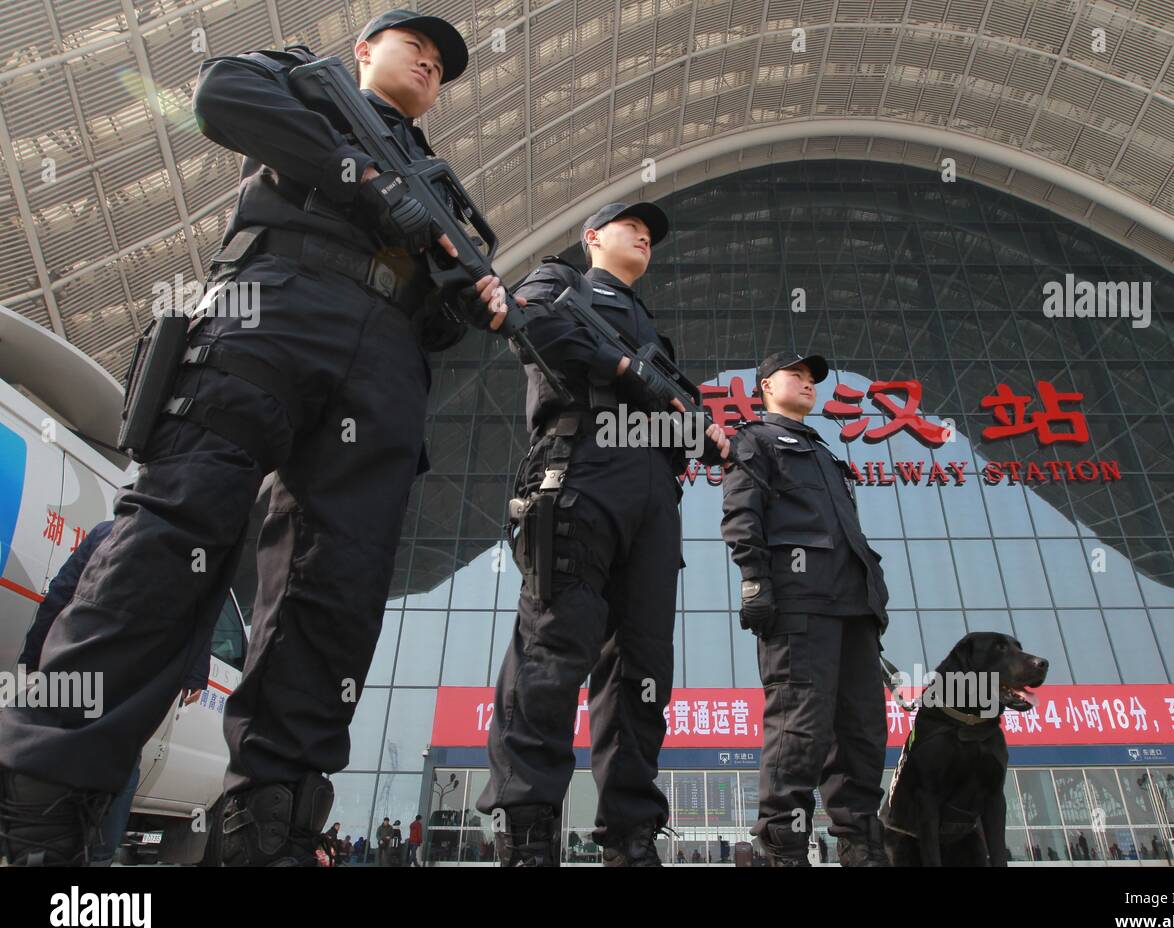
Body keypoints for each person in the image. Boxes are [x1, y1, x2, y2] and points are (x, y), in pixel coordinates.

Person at [0, 9, 513, 867]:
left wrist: (476, 290)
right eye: (412, 47)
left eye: (440, 64)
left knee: (337, 591)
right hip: (272, 305)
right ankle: (43, 811)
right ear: (363, 51)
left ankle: (271, 829)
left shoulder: (447, 188)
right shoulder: (303, 80)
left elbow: (452, 309)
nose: (428, 64)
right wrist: (367, 182)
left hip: (385, 360)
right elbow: (220, 97)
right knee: (175, 532)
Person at [474, 201, 731, 866]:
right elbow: (533, 328)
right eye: (630, 227)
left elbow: (678, 419)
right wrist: (626, 372)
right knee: (555, 651)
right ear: (592, 237)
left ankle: (632, 835)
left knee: (642, 675)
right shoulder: (560, 283)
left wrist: (705, 433)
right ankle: (529, 829)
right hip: (581, 474)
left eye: (651, 235)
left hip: (652, 503)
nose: (644, 237)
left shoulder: (652, 330)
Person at [719, 352, 891, 867]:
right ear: (766, 386)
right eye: (796, 374)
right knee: (800, 728)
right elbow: (741, 514)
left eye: (813, 377)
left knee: (861, 734)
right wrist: (754, 581)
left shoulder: (825, 454)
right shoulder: (756, 440)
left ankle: (860, 847)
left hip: (853, 609)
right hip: (799, 606)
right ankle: (781, 848)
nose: (808, 382)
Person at [12, 519, 216, 865]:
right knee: (120, 753)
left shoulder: (107, 531)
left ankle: (42, 847)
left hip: (78, 655)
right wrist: (194, 674)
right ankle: (96, 856)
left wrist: (34, 655)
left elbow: (62, 591)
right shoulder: (189, 541)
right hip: (134, 670)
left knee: (59, 741)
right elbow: (200, 609)